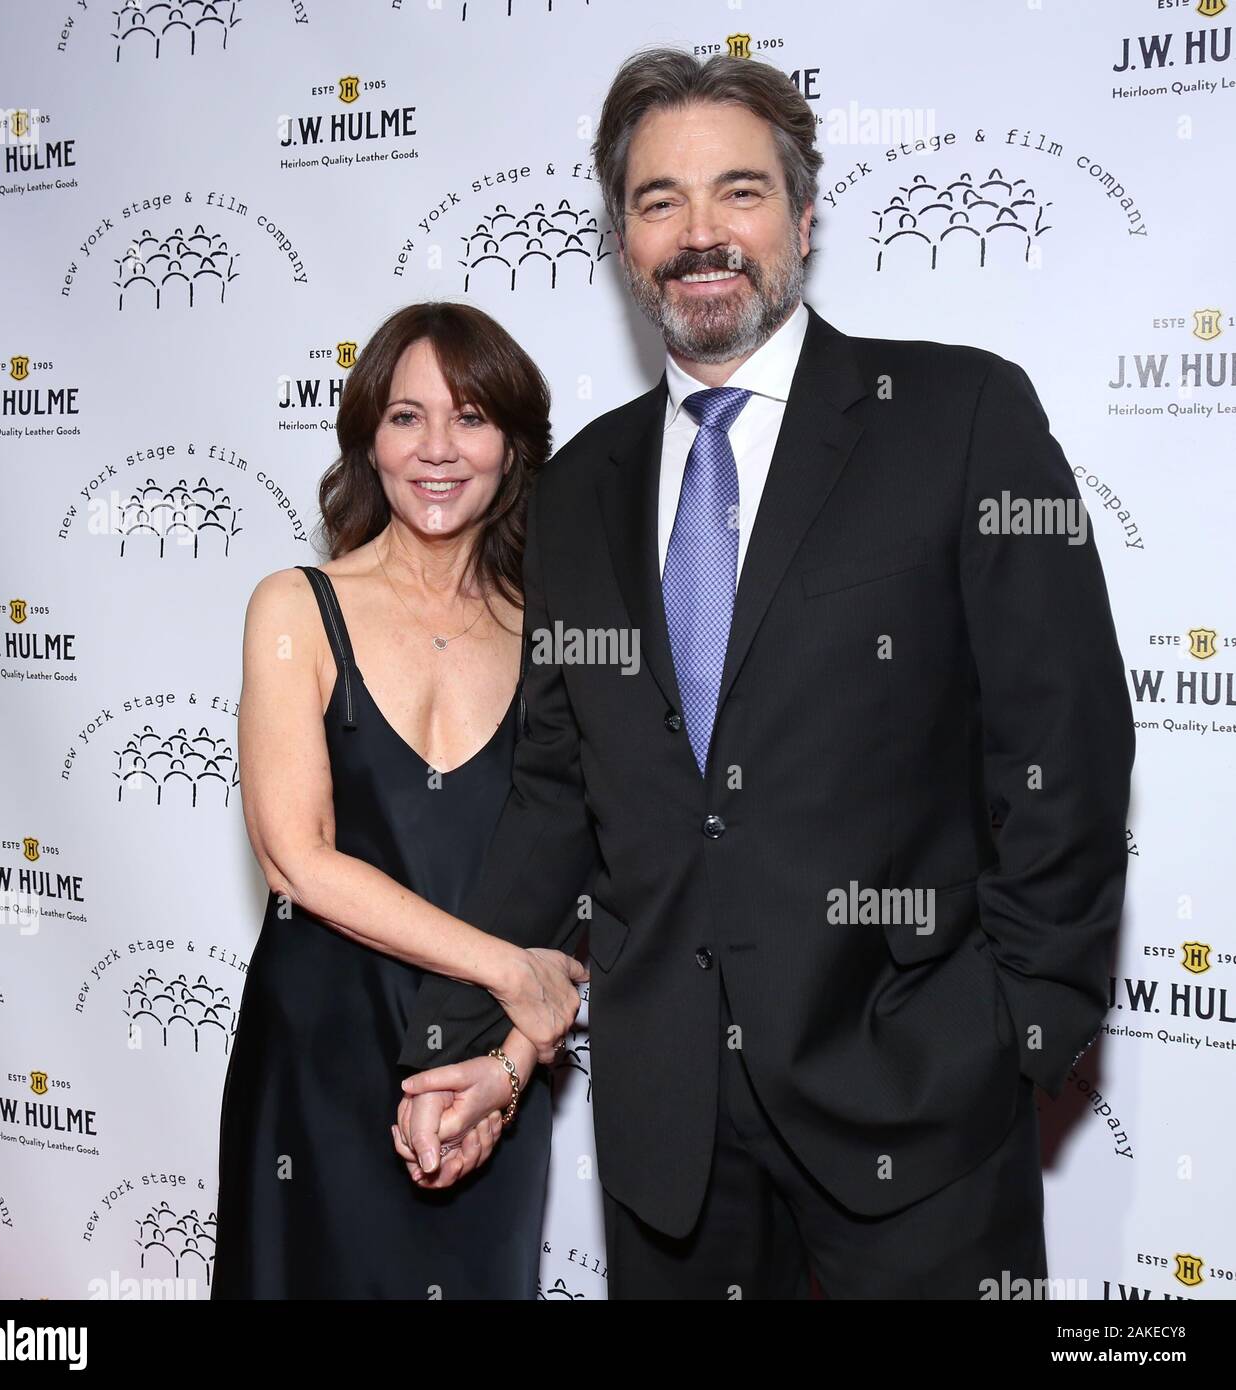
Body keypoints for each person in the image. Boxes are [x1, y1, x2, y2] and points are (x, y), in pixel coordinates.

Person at [391, 49, 1135, 1299]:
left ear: (801, 213)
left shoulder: (956, 417)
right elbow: (557, 799)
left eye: (737, 192)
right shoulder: (578, 490)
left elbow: (1063, 740)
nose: (699, 235)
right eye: (657, 200)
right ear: (623, 240)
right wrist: (466, 1041)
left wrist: (1017, 1026)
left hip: (920, 1106)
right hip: (671, 1138)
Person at [211, 301, 587, 1300]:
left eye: (470, 418)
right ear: (366, 439)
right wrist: (512, 974)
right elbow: (297, 856)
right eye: (406, 417)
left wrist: (504, 1072)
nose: (437, 449)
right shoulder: (295, 606)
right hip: (320, 1059)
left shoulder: (557, 630)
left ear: (512, 445)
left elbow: (577, 878)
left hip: (480, 1063)